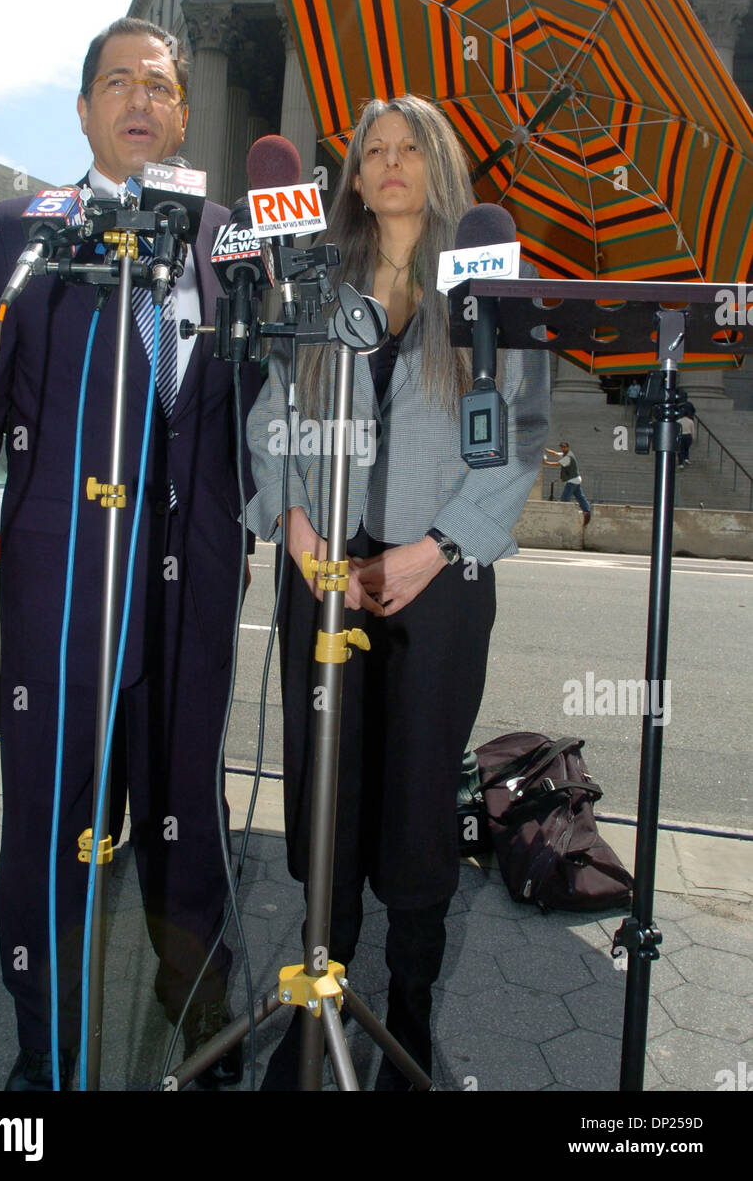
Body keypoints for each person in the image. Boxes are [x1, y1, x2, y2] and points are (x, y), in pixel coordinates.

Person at [0, 17, 258, 1091]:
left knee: (187, 830)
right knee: (52, 834)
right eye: (117, 82)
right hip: (69, 593)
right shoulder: (22, 231)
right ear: (83, 109)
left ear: (185, 111)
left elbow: (253, 410)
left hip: (194, 588)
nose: (140, 100)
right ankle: (47, 1056)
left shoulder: (231, 245)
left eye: (160, 84)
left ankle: (196, 1038)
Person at [245, 96, 550, 1088]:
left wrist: (433, 549)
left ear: (438, 164)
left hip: (439, 580)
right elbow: (271, 413)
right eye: (370, 150)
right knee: (325, 786)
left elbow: (514, 434)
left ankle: (409, 1015)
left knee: (418, 796)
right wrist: (292, 520)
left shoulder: (485, 282)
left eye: (406, 147)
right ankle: (318, 991)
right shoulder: (320, 280)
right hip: (322, 575)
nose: (386, 163)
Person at [544, 441, 591, 524]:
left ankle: (563, 514)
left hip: (572, 480)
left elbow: (557, 464)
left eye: (564, 447)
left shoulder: (568, 457)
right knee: (580, 496)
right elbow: (555, 454)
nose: (562, 449)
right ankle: (587, 511)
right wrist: (544, 449)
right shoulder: (566, 454)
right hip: (576, 479)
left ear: (567, 447)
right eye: (561, 447)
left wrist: (545, 463)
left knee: (565, 498)